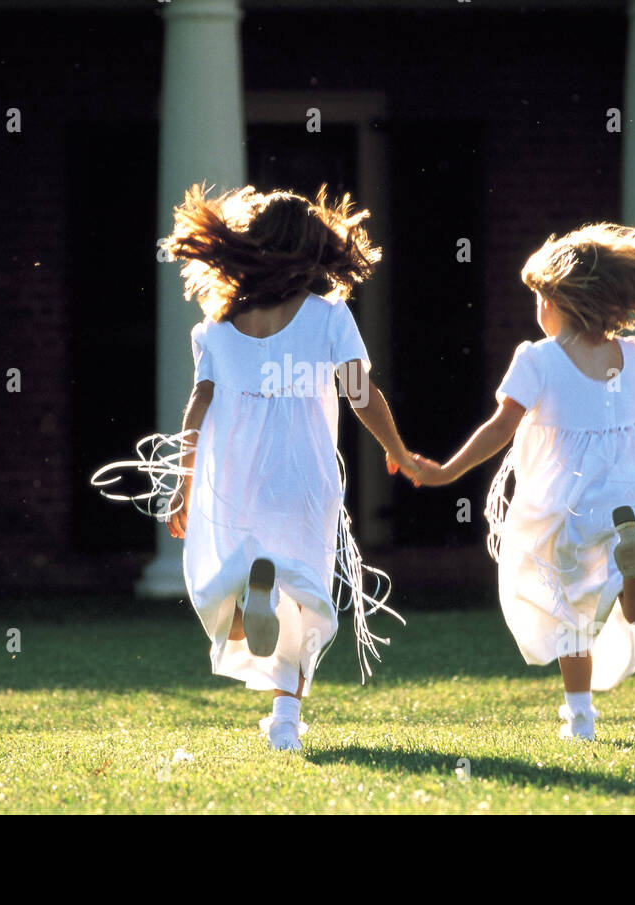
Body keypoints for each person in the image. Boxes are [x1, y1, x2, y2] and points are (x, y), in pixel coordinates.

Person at [94, 184, 415, 751]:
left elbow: (197, 408)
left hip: (236, 476)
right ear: (312, 252)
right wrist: (396, 449)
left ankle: (248, 601)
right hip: (304, 474)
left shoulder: (218, 327)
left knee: (232, 585)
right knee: (303, 597)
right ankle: (285, 722)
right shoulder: (328, 316)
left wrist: (183, 485)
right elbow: (362, 395)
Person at [410, 216, 635, 741]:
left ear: (557, 301)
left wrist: (446, 470)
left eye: (539, 298)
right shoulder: (633, 354)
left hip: (570, 494)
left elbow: (500, 428)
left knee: (565, 603)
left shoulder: (538, 360)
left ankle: (580, 717)